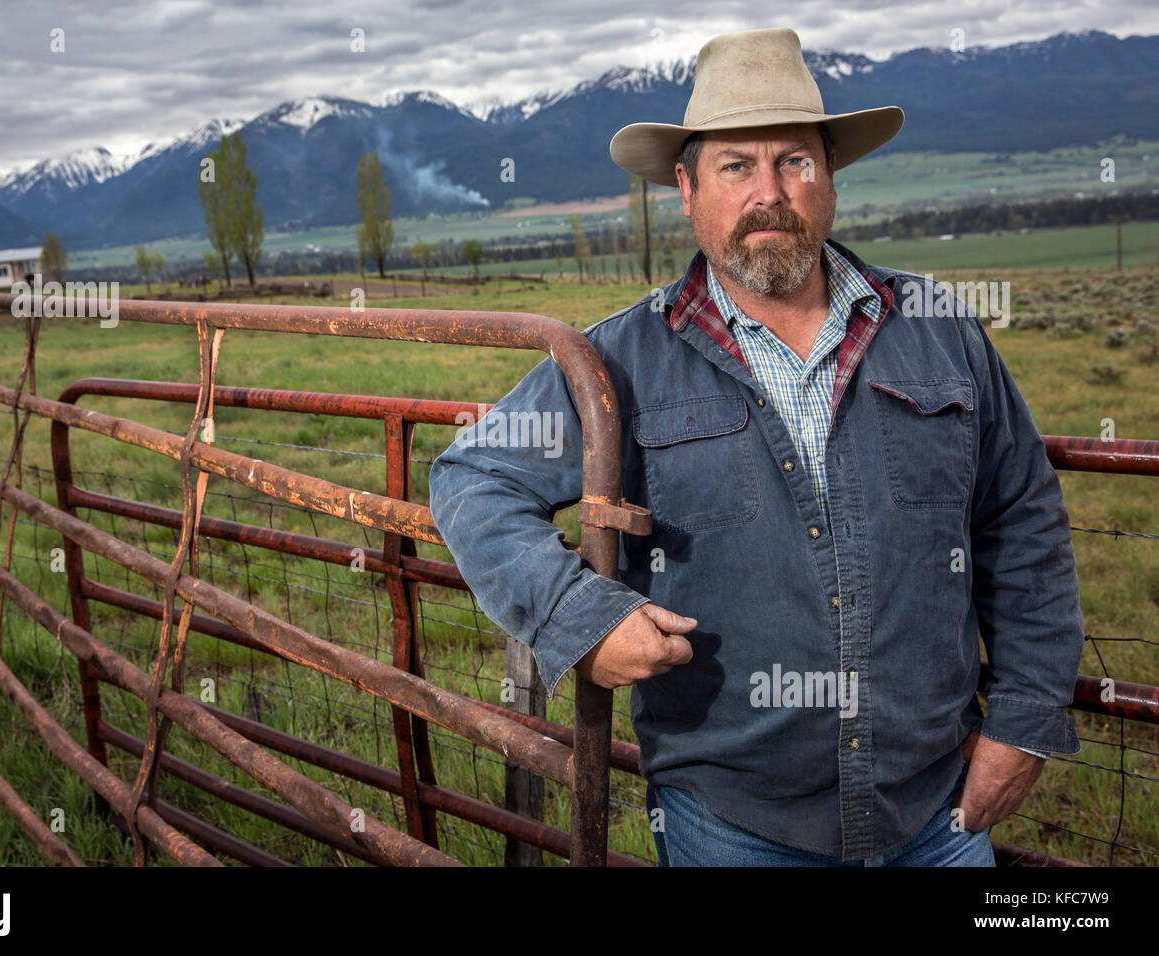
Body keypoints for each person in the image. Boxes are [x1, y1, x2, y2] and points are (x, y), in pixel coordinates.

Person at [428, 27, 1083, 866]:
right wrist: (581, 618)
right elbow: (472, 476)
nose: (769, 193)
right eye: (736, 166)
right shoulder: (618, 362)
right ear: (687, 186)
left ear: (830, 177)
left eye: (796, 162)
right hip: (731, 823)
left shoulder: (938, 329)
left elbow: (1021, 520)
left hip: (936, 810)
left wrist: (1025, 719)